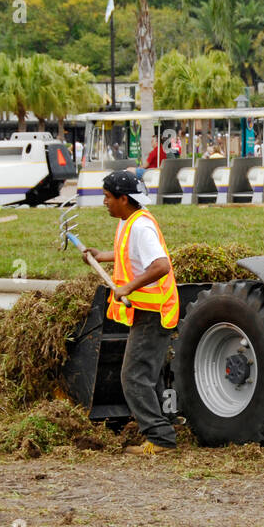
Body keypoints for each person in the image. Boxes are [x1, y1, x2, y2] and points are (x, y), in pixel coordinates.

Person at [81, 170, 180, 455]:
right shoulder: (129, 221)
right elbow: (131, 255)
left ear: (124, 198)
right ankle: (166, 424)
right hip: (145, 311)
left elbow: (161, 265)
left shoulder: (140, 226)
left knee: (133, 376)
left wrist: (128, 288)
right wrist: (101, 256)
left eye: (108, 197)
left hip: (153, 312)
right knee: (149, 374)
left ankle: (160, 439)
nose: (104, 202)